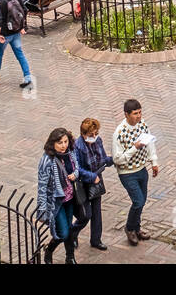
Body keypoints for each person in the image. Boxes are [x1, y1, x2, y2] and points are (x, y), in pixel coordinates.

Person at [111, 98, 159, 247]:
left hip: (141, 169)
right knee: (138, 201)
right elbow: (117, 159)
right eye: (135, 113)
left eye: (140, 112)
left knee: (142, 201)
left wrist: (154, 161)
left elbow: (150, 142)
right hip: (127, 172)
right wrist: (135, 147)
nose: (138, 116)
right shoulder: (119, 133)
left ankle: (137, 228)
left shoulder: (143, 125)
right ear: (126, 114)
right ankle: (130, 228)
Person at [36, 127, 85, 263]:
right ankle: (49, 249)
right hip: (56, 201)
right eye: (60, 143)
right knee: (63, 232)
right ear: (52, 144)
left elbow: (76, 169)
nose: (64, 146)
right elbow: (42, 187)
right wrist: (42, 210)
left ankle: (70, 257)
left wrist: (75, 174)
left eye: (65, 141)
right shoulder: (47, 161)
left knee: (68, 228)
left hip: (70, 198)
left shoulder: (70, 153)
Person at [73, 117, 115, 251]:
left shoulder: (98, 141)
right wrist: (91, 176)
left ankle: (96, 240)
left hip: (96, 179)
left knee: (97, 211)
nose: (94, 136)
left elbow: (103, 159)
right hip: (83, 183)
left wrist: (115, 160)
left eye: (96, 133)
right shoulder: (77, 146)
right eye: (91, 135)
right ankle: (73, 233)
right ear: (83, 134)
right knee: (86, 214)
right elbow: (77, 168)